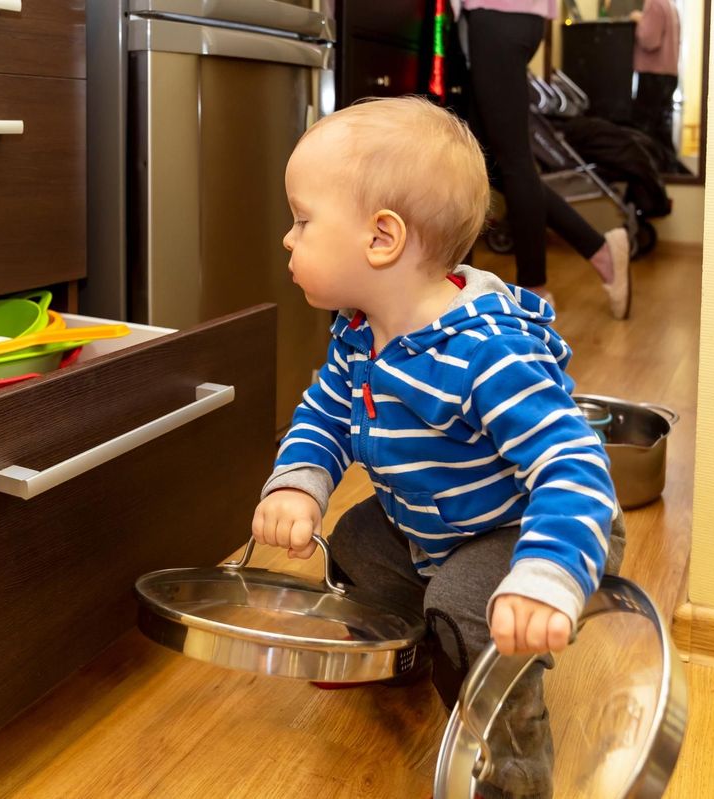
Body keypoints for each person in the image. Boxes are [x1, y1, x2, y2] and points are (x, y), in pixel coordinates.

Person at [252, 97, 625, 798]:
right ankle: (404, 653)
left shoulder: (487, 353)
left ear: (382, 238)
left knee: (467, 608)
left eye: (302, 220)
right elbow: (326, 413)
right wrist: (298, 481)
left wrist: (544, 573)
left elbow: (573, 464)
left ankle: (510, 771)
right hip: (429, 520)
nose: (287, 238)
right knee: (356, 543)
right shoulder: (360, 332)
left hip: (529, 526)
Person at [459, 0, 632, 318]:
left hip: (497, 17)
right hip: (516, 19)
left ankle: (535, 289)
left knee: (512, 162)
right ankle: (598, 249)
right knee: (485, 162)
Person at [630, 0, 682, 155]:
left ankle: (652, 165)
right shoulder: (670, 4)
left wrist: (639, 20)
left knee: (647, 131)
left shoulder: (654, 3)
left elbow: (649, 41)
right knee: (662, 129)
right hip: (669, 73)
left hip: (653, 74)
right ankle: (668, 164)